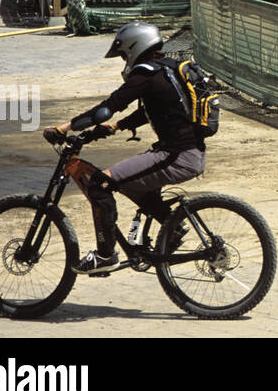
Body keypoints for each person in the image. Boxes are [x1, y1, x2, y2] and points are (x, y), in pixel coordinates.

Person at [45, 22, 207, 274]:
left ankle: (106, 255)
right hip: (187, 152)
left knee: (99, 183)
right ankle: (171, 225)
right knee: (128, 181)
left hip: (176, 156)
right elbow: (151, 110)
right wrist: (116, 127)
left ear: (134, 47)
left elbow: (106, 107)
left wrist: (64, 128)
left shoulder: (145, 75)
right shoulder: (168, 69)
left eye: (123, 55)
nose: (124, 60)